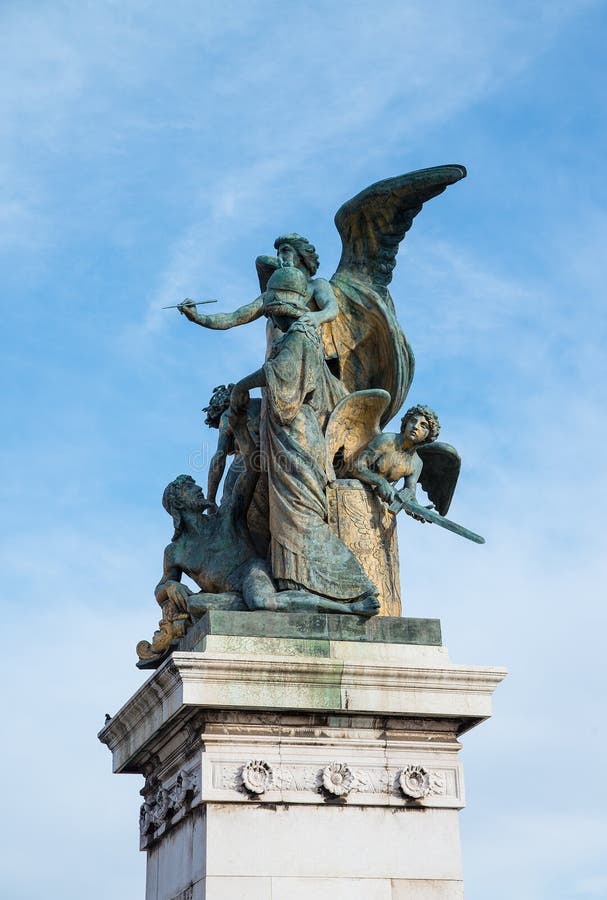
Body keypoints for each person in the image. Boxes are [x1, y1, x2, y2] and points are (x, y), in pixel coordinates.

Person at [230, 264, 379, 610]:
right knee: (288, 516)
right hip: (286, 439)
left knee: (302, 514)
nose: (273, 321)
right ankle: (296, 584)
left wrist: (242, 386)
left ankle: (351, 586)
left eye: (275, 313)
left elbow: (278, 375)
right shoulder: (296, 336)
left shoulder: (298, 338)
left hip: (298, 440)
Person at [353, 404, 440, 509]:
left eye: (423, 426)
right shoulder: (387, 440)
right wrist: (381, 482)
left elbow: (409, 494)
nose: (416, 426)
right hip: (355, 490)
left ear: (428, 435)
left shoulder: (417, 463)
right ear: (406, 423)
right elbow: (357, 466)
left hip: (377, 503)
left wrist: (417, 510)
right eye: (413, 420)